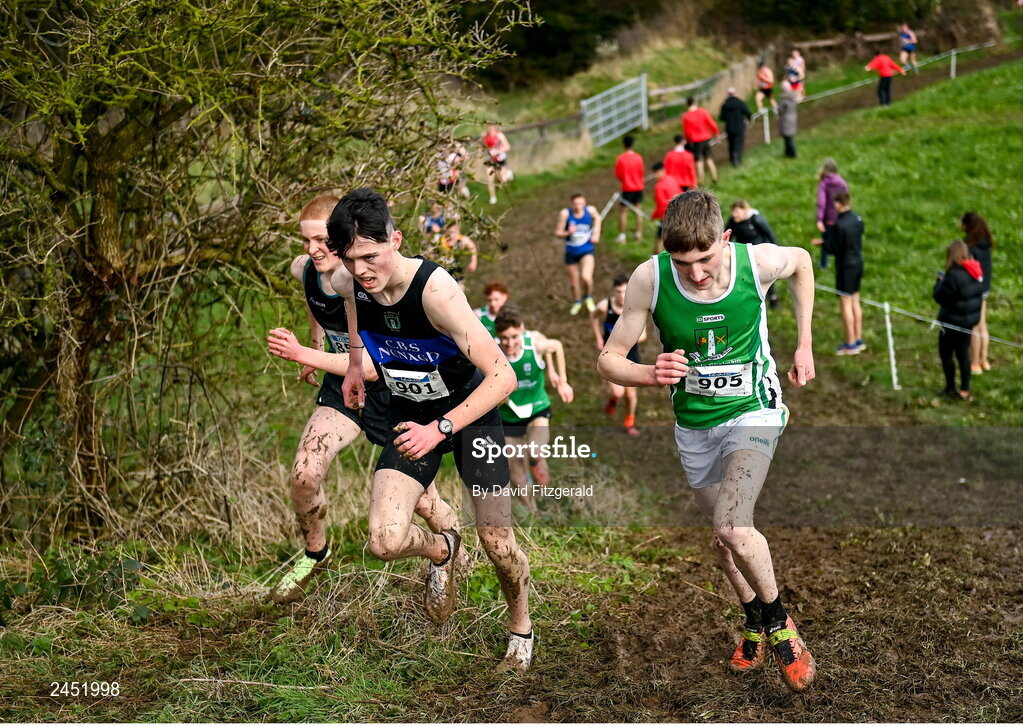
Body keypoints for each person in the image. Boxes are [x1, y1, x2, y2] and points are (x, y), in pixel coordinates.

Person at [596, 189, 818, 694]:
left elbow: (803, 262)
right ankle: (754, 621)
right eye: (683, 261)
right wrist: (650, 372)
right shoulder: (649, 278)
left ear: (725, 238)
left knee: (734, 525)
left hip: (753, 409)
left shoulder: (755, 261)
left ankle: (782, 625)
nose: (695, 272)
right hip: (694, 425)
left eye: (705, 258)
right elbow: (609, 359)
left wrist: (804, 342)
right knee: (723, 541)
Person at [326, 187, 533, 672]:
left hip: (469, 413)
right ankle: (443, 549)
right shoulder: (348, 279)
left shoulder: (436, 292)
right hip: (411, 414)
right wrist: (356, 364)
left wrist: (440, 429)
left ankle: (520, 628)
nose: (361, 272)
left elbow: (503, 376)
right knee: (383, 541)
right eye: (351, 260)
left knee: (498, 542)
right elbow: (350, 301)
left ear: (396, 240)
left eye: (371, 257)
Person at [265, 194, 460, 605]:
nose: (313, 250)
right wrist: (317, 340)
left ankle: (449, 551)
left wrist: (304, 353)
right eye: (306, 241)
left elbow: (371, 365)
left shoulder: (369, 279)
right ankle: (315, 556)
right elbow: (314, 301)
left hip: (390, 392)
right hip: (341, 386)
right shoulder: (306, 268)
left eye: (322, 241)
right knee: (304, 471)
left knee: (424, 501)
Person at [495, 306, 574, 512]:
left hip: (537, 409)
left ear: (522, 330)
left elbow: (556, 345)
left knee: (535, 451)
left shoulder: (535, 345)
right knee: (514, 470)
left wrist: (562, 380)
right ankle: (534, 514)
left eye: (514, 337)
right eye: (504, 338)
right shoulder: (493, 351)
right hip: (508, 416)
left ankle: (547, 497)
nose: (510, 343)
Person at [590, 273, 646, 437]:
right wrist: (598, 337)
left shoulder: (636, 308)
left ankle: (629, 422)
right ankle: (613, 401)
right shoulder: (604, 306)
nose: (622, 296)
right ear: (614, 291)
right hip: (611, 354)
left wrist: (625, 337)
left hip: (631, 354)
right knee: (618, 392)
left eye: (625, 291)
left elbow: (643, 336)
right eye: (618, 292)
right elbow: (593, 317)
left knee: (630, 394)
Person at [812, 191, 865, 354]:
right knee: (856, 300)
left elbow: (834, 248)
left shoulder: (839, 225)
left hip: (845, 266)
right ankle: (858, 339)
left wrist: (823, 244)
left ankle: (850, 343)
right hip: (858, 262)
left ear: (838, 204)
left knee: (845, 304)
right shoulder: (858, 219)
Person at [933, 240, 985, 401]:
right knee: (963, 354)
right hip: (968, 321)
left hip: (952, 321)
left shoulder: (953, 275)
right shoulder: (975, 271)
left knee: (946, 354)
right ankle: (965, 390)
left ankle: (950, 387)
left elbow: (940, 297)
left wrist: (939, 283)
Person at [724, 200, 780, 308]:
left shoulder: (756, 219)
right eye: (733, 212)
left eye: (736, 211)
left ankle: (772, 297)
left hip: (759, 252)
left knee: (766, 274)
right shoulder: (733, 221)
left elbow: (769, 233)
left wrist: (777, 250)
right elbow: (728, 236)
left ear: (745, 210)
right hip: (744, 253)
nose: (734, 214)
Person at [554, 192, 601, 316]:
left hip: (586, 250)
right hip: (571, 251)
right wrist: (567, 233)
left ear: (584, 203)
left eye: (580, 203)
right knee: (574, 284)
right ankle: (577, 301)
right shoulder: (565, 214)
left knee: (586, 277)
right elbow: (558, 232)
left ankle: (588, 296)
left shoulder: (590, 210)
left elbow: (598, 218)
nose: (578, 206)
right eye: (575, 204)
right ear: (571, 204)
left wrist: (596, 233)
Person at [961, 212, 994, 373]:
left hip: (974, 289)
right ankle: (984, 360)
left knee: (974, 326)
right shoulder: (986, 243)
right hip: (985, 289)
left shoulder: (969, 247)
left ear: (967, 226)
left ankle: (974, 363)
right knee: (982, 325)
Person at [814, 159, 848, 270]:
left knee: (826, 240)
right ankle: (840, 261)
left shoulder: (824, 184)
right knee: (840, 239)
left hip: (828, 218)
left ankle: (824, 264)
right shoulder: (842, 182)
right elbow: (846, 198)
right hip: (840, 216)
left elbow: (821, 202)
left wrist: (819, 219)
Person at [429, 219, 478, 292]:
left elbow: (472, 246)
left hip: (456, 271)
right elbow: (429, 251)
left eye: (455, 232)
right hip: (441, 270)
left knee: (460, 290)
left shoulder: (462, 240)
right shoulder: (439, 239)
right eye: (450, 232)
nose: (452, 235)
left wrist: (473, 261)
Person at [614, 134, 645, 243]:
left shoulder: (621, 159)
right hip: (638, 188)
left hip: (627, 189)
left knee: (623, 212)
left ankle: (622, 237)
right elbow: (641, 172)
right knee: (638, 211)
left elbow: (618, 175)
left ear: (623, 145)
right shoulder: (639, 157)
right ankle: (638, 234)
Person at [682, 96, 720, 185]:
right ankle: (715, 177)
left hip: (695, 141)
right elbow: (712, 123)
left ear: (687, 104)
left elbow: (686, 131)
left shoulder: (686, 116)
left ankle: (701, 181)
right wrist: (716, 134)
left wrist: (687, 141)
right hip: (706, 138)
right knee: (709, 158)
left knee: (699, 161)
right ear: (695, 102)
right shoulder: (703, 112)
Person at [651, 161, 683, 254]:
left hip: (668, 216)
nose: (655, 176)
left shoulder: (659, 187)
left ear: (662, 171)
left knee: (660, 238)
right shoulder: (671, 179)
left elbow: (661, 205)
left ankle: (658, 258)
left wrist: (654, 215)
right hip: (679, 212)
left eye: (656, 173)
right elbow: (680, 193)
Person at [719, 88, 752, 168]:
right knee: (739, 143)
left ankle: (732, 159)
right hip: (739, 126)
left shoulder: (725, 105)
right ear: (735, 93)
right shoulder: (740, 103)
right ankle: (738, 159)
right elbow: (748, 113)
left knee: (731, 144)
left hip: (729, 127)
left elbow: (722, 118)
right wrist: (749, 119)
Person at [482, 123, 512, 204]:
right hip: (490, 159)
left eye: (492, 125)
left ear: (495, 126)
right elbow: (483, 146)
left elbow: (507, 147)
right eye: (488, 125)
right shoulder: (484, 135)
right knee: (489, 179)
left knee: (502, 180)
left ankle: (507, 174)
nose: (490, 127)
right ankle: (492, 197)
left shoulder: (499, 135)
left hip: (499, 159)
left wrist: (497, 151)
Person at [777, 81, 798, 159]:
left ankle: (792, 154)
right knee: (788, 138)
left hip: (786, 120)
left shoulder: (784, 100)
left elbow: (780, 110)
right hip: (793, 118)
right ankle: (787, 152)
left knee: (788, 139)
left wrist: (777, 109)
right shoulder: (793, 97)